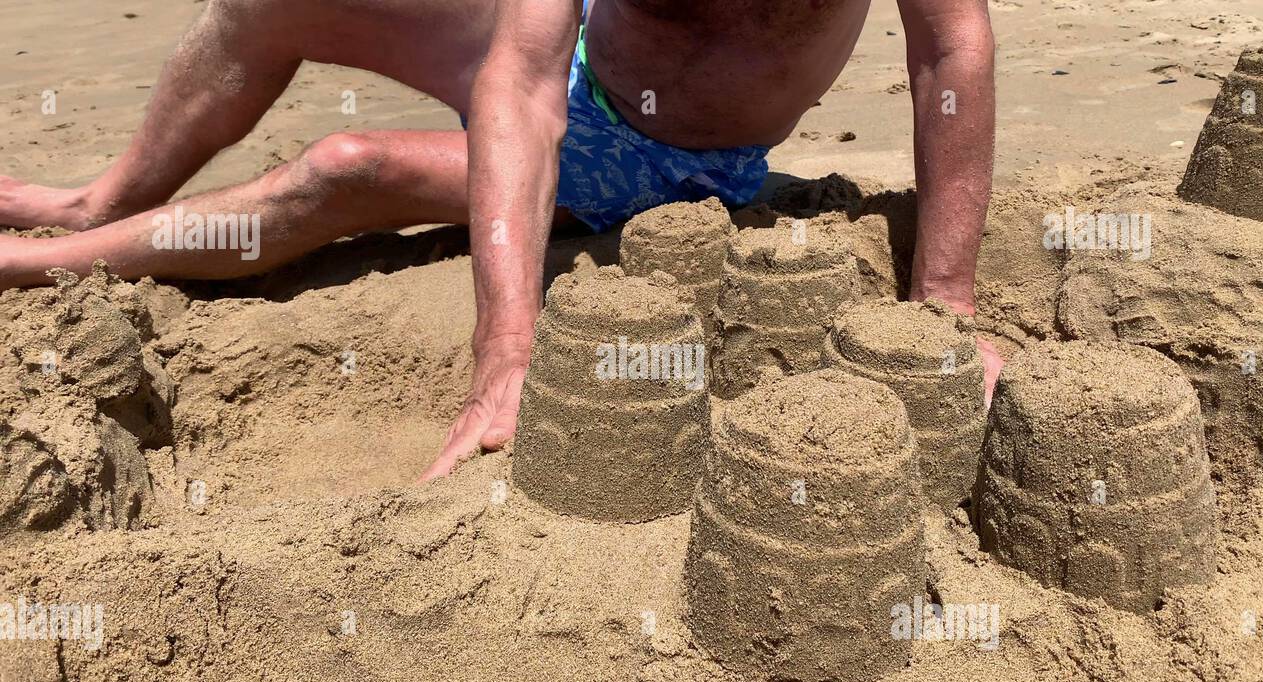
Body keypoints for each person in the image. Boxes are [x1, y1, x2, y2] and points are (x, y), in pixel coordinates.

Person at [0, 0, 1000, 479]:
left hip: (663, 156)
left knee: (342, 165)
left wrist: (944, 295)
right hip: (569, 60)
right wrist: (505, 354)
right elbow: (522, 81)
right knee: (272, 3)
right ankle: (95, 203)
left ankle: (35, 263)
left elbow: (949, 45)